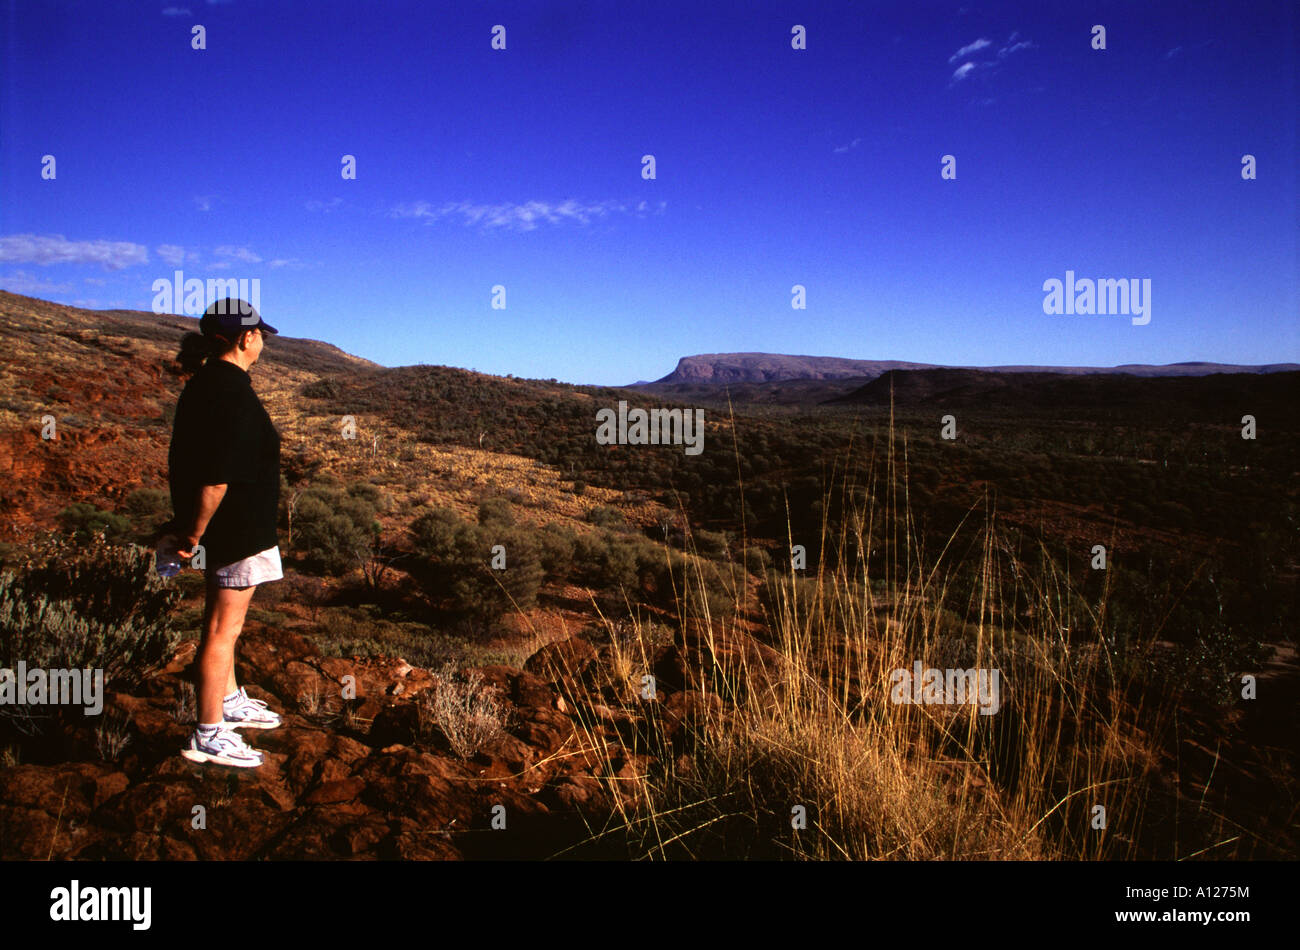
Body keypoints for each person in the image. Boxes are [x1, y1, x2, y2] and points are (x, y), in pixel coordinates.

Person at [163, 297, 285, 767]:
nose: (263, 344)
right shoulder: (230, 391)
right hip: (236, 531)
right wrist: (192, 535)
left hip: (231, 529)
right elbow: (216, 478)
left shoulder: (207, 384)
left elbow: (188, 462)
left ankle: (229, 700)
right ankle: (209, 733)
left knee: (223, 626)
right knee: (221, 629)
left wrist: (187, 527)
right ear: (245, 338)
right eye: (260, 336)